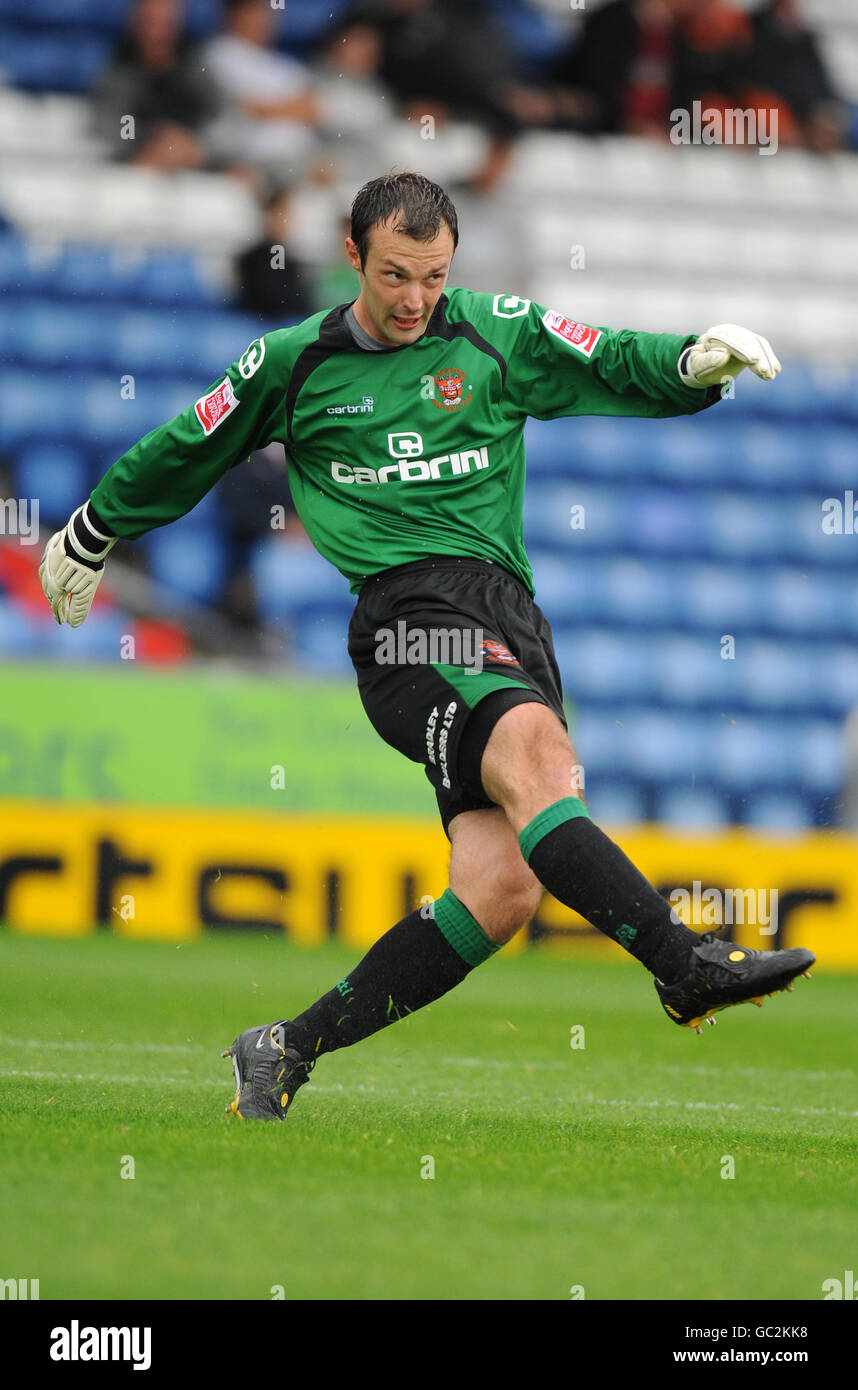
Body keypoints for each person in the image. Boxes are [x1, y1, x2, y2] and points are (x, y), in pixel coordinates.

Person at [39, 172, 814, 1122]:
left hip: (509, 615)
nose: (415, 300)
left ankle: (282, 1049)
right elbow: (188, 445)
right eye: (397, 275)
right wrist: (92, 529)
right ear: (353, 255)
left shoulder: (493, 330)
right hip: (408, 618)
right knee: (540, 759)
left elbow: (609, 358)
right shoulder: (294, 362)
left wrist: (693, 362)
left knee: (499, 890)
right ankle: (683, 963)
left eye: (434, 277)